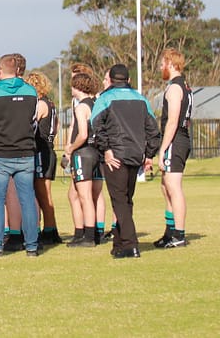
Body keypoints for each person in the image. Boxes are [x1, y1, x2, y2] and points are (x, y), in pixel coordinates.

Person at [91, 64, 160, 259]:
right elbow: (153, 131)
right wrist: (148, 154)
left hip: (115, 157)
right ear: (128, 80)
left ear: (111, 80)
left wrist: (106, 150)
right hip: (135, 155)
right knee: (126, 200)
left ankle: (130, 244)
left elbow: (96, 126)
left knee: (119, 200)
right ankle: (119, 243)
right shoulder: (141, 99)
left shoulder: (104, 99)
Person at [0, 54, 40, 257]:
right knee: (27, 199)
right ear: (18, 71)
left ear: (0, 70)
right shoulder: (31, 92)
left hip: (0, 153)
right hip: (25, 153)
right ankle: (32, 246)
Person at [154, 48, 193, 249]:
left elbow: (172, 121)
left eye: (162, 63)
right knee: (165, 186)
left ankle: (179, 234)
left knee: (173, 187)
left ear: (170, 63)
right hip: (179, 140)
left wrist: (163, 150)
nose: (161, 67)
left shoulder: (175, 88)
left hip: (176, 140)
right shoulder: (183, 86)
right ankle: (170, 232)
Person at [63, 72, 105, 247]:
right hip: (95, 152)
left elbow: (83, 134)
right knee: (74, 195)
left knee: (85, 196)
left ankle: (89, 236)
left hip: (83, 153)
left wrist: (71, 148)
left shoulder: (81, 107)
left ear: (77, 87)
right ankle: (81, 233)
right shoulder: (96, 103)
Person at [27, 71, 61, 246]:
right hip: (48, 149)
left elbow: (31, 125)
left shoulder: (40, 104)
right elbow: (56, 126)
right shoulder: (51, 103)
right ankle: (50, 229)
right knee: (43, 194)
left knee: (42, 195)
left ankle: (49, 230)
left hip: (41, 151)